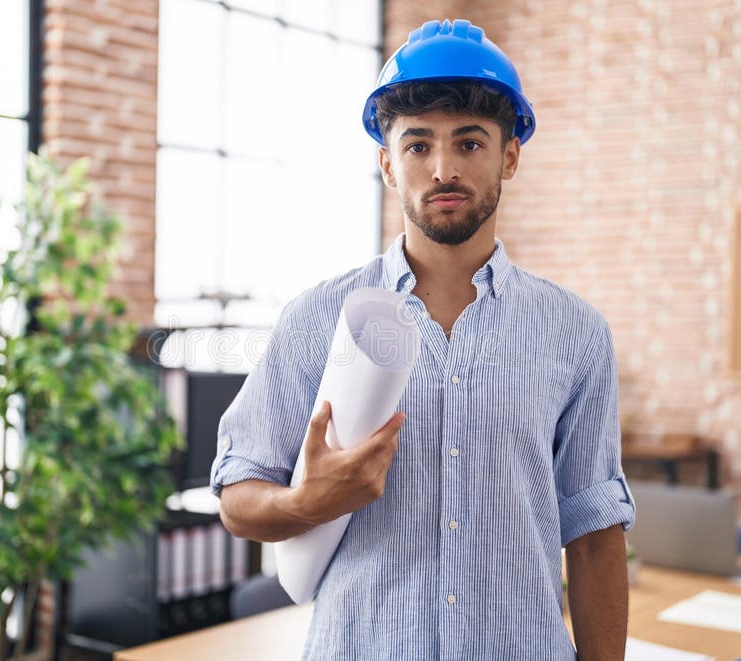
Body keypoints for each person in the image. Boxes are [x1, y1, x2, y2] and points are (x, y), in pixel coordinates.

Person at [211, 18, 635, 660]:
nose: (444, 169)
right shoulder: (317, 318)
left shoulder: (574, 332)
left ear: (509, 156)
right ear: (387, 163)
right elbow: (240, 500)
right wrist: (306, 501)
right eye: (417, 146)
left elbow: (595, 534)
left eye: (470, 143)